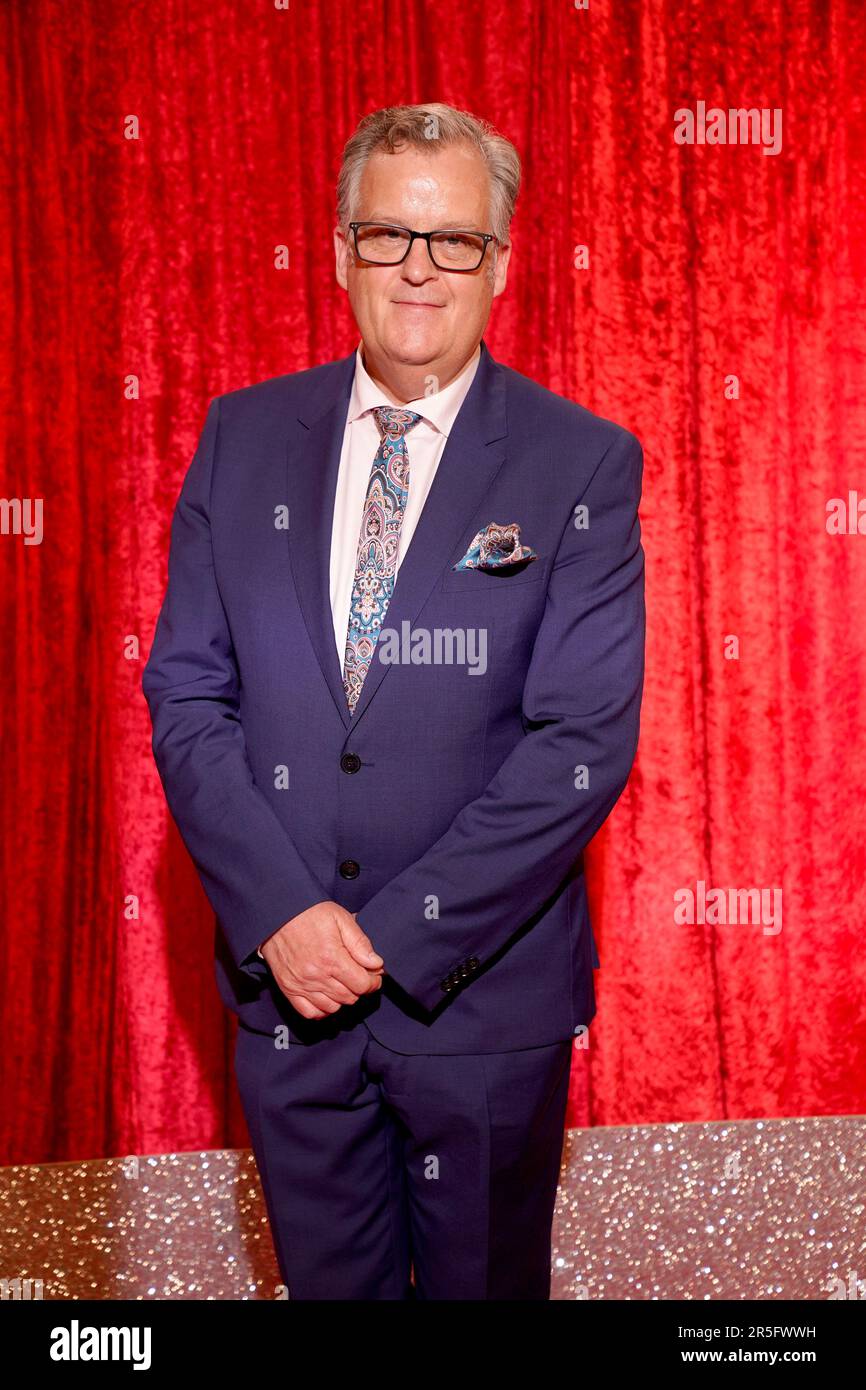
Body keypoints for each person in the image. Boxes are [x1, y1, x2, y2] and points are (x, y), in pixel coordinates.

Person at [142, 102, 646, 1301]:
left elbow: (578, 736)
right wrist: (284, 919)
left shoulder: (580, 462)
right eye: (387, 235)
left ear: (501, 264)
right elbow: (188, 690)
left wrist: (387, 940)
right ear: (338, 252)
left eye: (453, 241)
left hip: (482, 1011)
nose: (418, 269)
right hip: (287, 1008)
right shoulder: (239, 437)